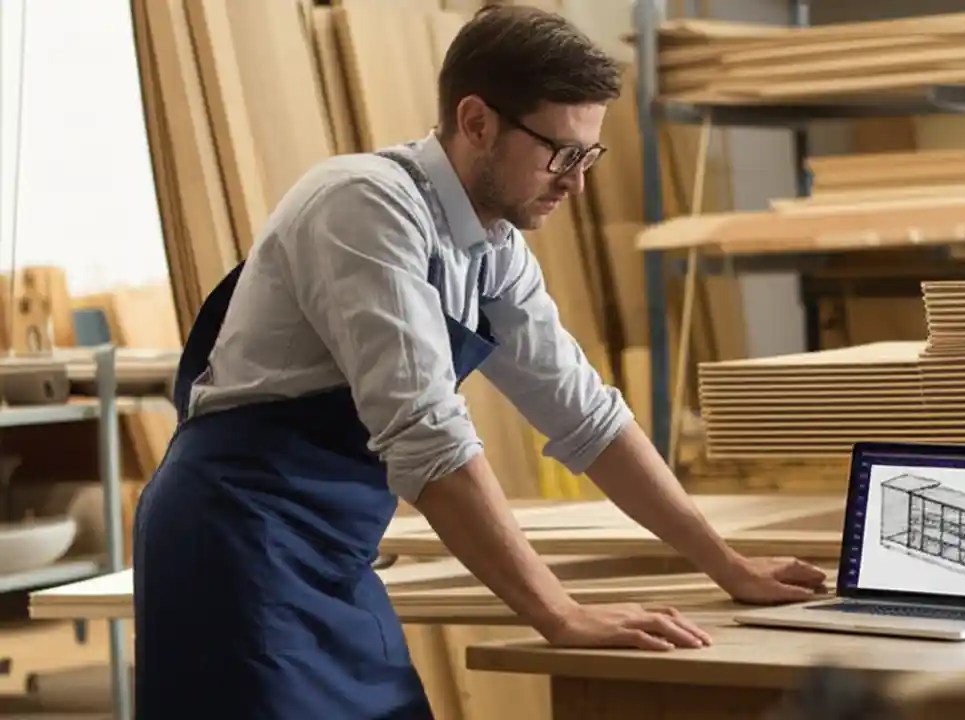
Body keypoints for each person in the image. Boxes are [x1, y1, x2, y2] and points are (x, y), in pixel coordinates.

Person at [132, 5, 826, 718]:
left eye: (588, 157)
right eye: (561, 154)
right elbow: (428, 437)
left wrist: (728, 565)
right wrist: (560, 613)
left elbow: (586, 417)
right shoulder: (365, 206)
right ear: (476, 122)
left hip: (335, 555)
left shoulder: (493, 248)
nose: (576, 183)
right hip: (239, 545)